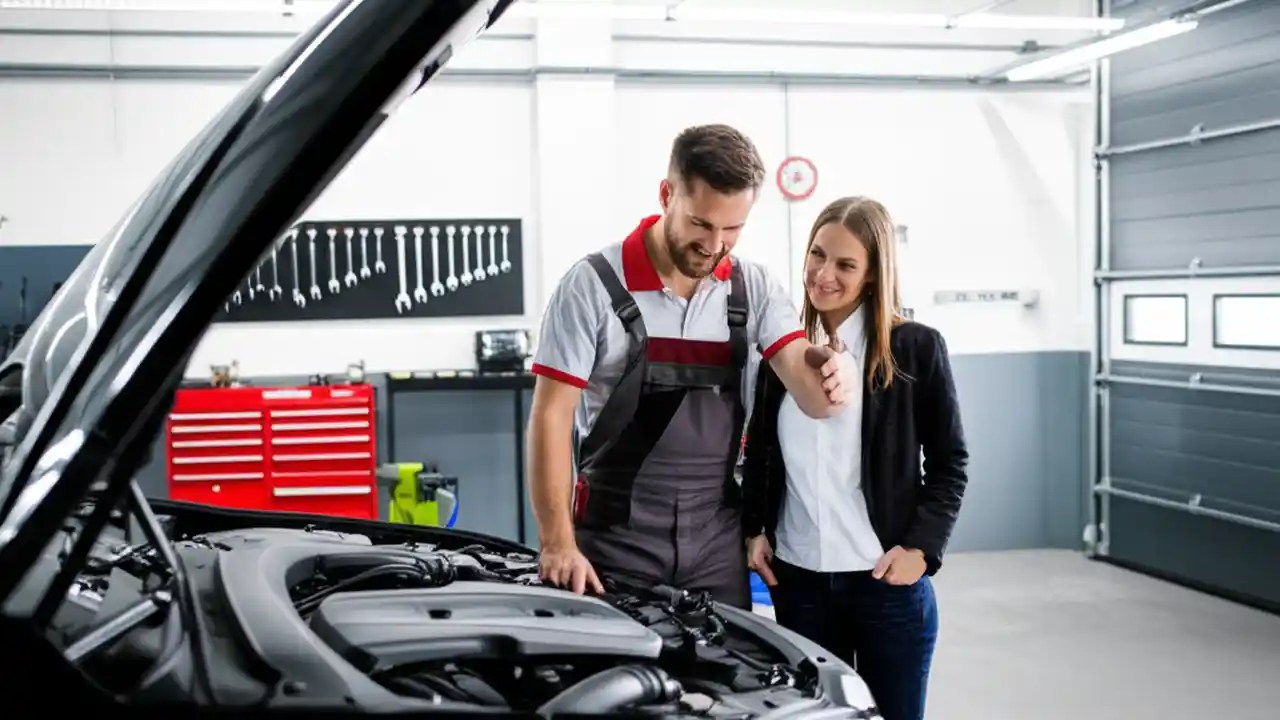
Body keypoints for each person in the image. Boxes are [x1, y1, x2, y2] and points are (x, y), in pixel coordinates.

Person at [526, 124, 856, 609]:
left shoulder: (753, 289)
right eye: (701, 224)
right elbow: (550, 417)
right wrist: (557, 543)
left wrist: (837, 374)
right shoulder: (592, 286)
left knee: (728, 679)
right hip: (615, 540)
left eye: (733, 229)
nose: (715, 244)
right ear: (666, 194)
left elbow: (812, 392)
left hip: (716, 542)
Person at [741, 196, 969, 720]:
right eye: (817, 255)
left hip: (884, 584)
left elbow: (950, 461)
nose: (823, 274)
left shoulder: (915, 349)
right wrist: (754, 529)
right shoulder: (781, 354)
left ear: (872, 274)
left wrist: (920, 550)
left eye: (845, 264)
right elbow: (759, 454)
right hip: (799, 587)